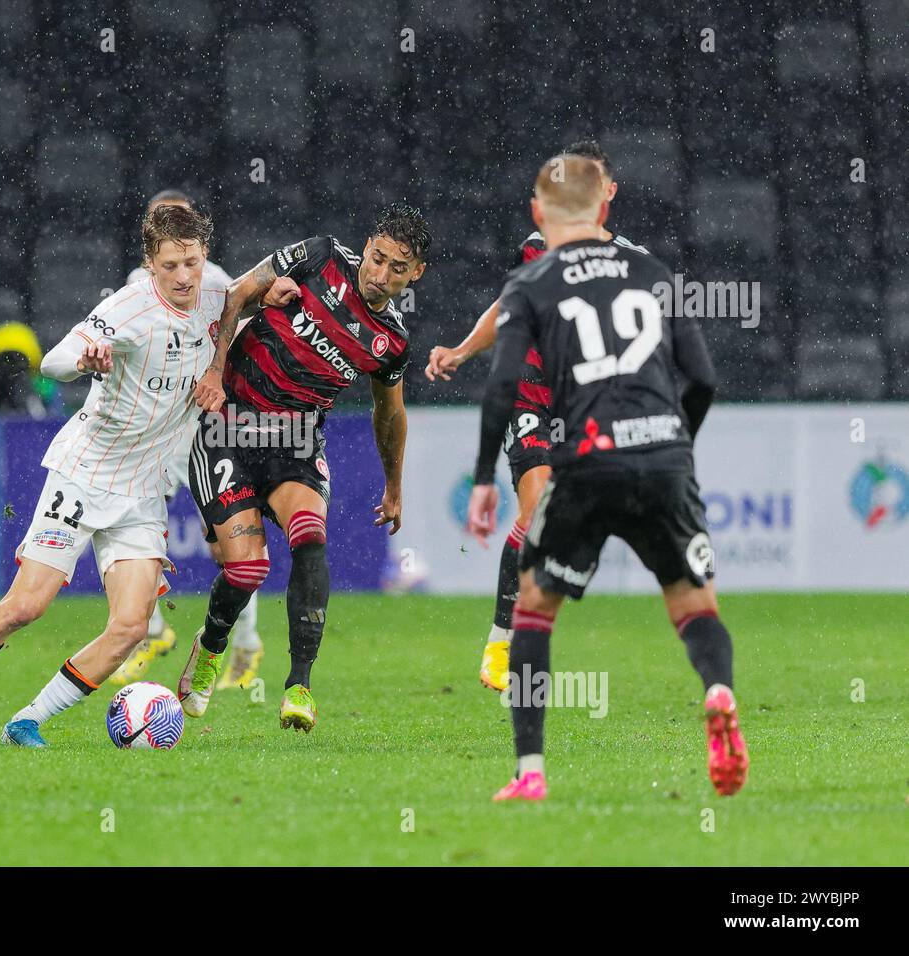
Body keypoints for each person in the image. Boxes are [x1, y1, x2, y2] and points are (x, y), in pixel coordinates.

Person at [0, 204, 293, 748]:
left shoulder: (219, 296)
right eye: (170, 266)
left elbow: (269, 281)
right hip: (85, 472)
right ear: (150, 264)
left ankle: (27, 721)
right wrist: (85, 359)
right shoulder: (129, 306)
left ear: (203, 255)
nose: (183, 276)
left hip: (143, 490)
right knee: (27, 606)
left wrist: (282, 290)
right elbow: (53, 360)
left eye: (191, 261)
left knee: (131, 627)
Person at [468, 155, 747, 801]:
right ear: (605, 208)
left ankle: (530, 773)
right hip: (663, 457)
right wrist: (677, 444)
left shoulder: (531, 281)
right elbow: (703, 380)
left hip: (587, 462)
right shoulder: (651, 272)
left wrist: (485, 476)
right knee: (694, 605)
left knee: (534, 612)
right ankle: (719, 690)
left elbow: (506, 384)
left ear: (540, 215)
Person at [178, 203, 431, 732]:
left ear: (416, 273)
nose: (381, 275)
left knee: (310, 537)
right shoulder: (319, 258)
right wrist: (217, 368)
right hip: (228, 426)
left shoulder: (392, 342)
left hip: (296, 442)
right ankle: (211, 647)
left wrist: (394, 484)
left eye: (397, 268)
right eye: (377, 258)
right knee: (248, 568)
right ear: (367, 245)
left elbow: (390, 413)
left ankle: (299, 687)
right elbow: (241, 290)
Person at [425, 140, 648, 694]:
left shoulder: (633, 263)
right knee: (538, 512)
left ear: (609, 192)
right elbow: (509, 309)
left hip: (586, 408)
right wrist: (460, 349)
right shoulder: (538, 246)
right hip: (532, 397)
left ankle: (524, 628)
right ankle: (501, 643)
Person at [113, 188, 264, 689]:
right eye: (161, 223)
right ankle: (147, 633)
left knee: (231, 543)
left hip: (207, 430)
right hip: (155, 435)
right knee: (134, 533)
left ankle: (245, 644)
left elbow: (241, 344)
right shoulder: (138, 283)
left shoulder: (217, 282)